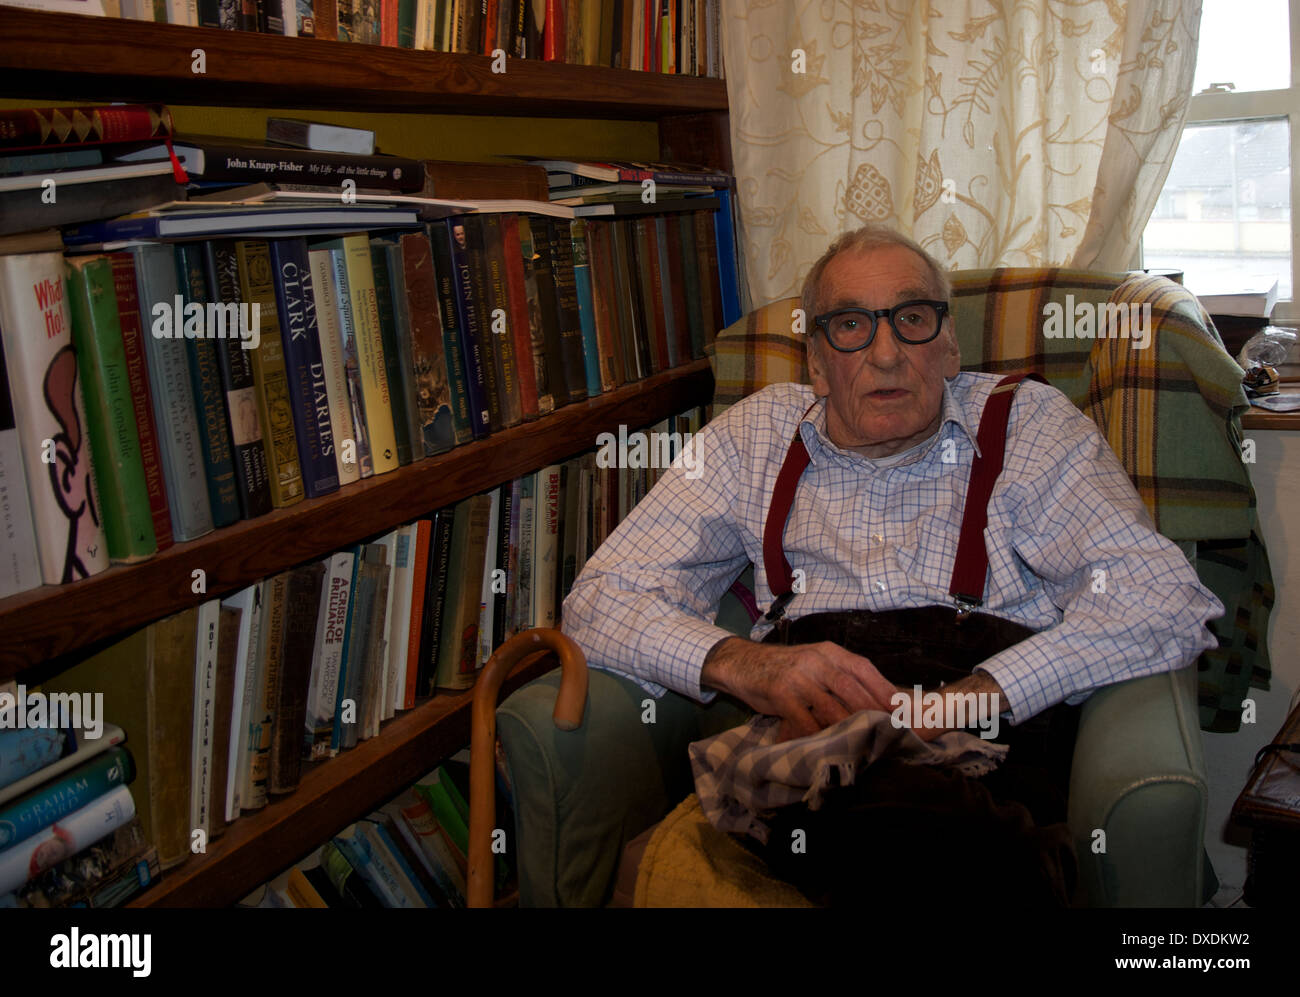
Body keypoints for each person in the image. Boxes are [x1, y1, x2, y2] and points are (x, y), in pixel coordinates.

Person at [562, 224, 1222, 748]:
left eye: (911, 318)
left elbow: (1164, 599)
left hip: (987, 760)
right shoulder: (754, 436)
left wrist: (962, 699)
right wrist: (743, 662)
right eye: (851, 325)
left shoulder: (1029, 426)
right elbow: (599, 599)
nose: (886, 354)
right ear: (817, 363)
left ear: (950, 348)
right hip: (811, 764)